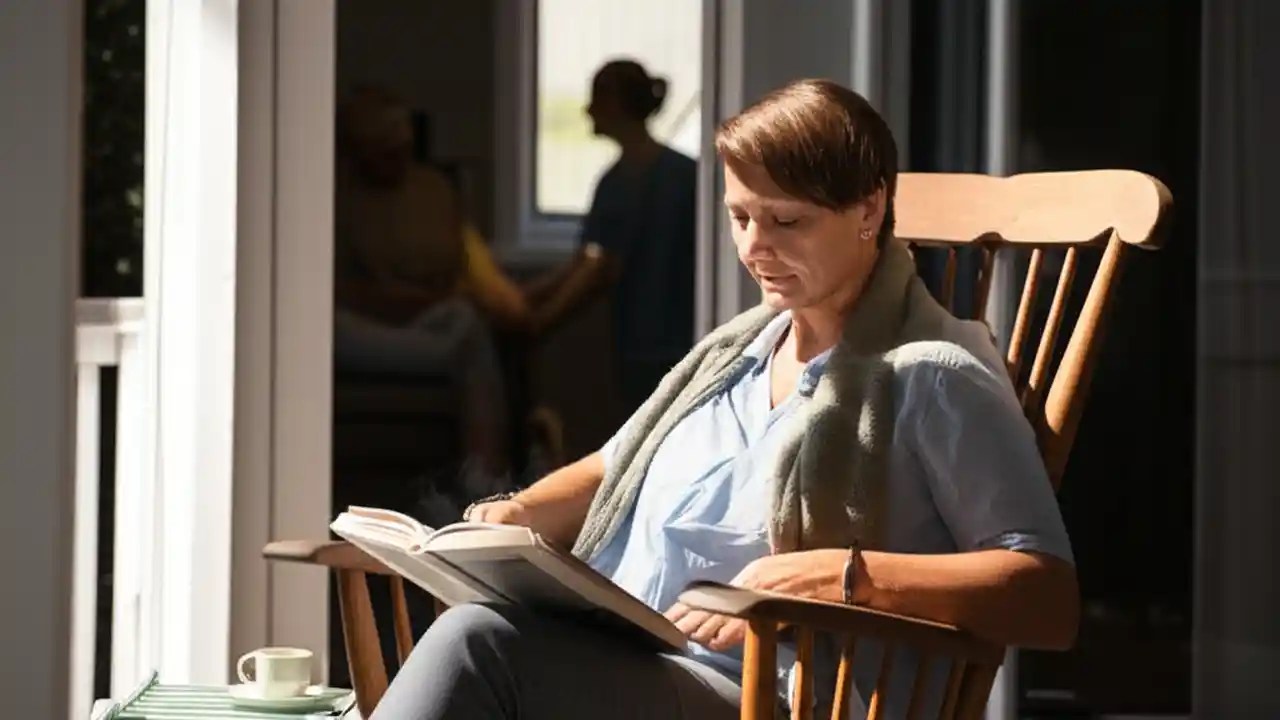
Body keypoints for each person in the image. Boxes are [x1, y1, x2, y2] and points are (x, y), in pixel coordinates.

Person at [371, 79, 1078, 719]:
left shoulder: (931, 375)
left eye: (785, 221)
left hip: (765, 694)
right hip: (628, 657)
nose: (754, 246)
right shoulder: (731, 358)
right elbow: (615, 468)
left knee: (479, 648)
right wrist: (516, 517)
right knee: (482, 632)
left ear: (869, 210)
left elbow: (1045, 597)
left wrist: (838, 575)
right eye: (739, 217)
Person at [333, 87, 599, 499]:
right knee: (467, 339)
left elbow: (460, 270)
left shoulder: (432, 188)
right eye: (384, 150)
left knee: (470, 321)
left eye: (403, 148)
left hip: (428, 315)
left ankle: (485, 474)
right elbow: (343, 291)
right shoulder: (335, 197)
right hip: (359, 325)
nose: (396, 160)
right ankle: (486, 479)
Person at [575, 59, 698, 413]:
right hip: (683, 339)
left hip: (645, 346)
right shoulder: (687, 173)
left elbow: (595, 268)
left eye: (595, 98)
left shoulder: (621, 182)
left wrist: (537, 320)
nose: (588, 109)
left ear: (613, 103)